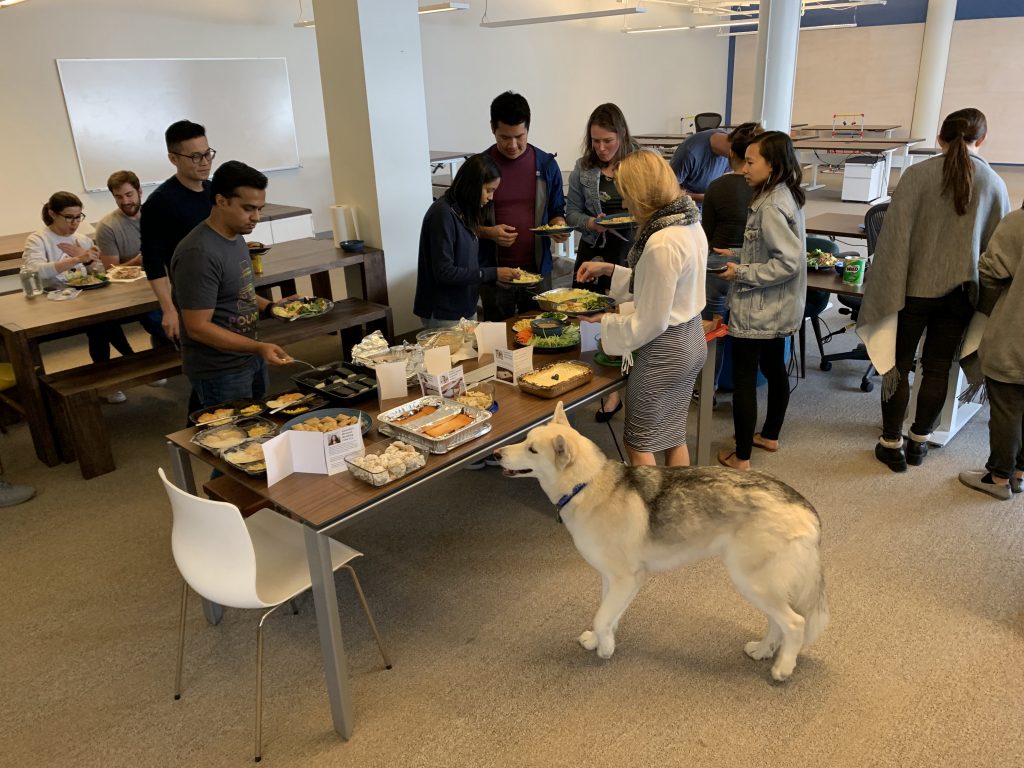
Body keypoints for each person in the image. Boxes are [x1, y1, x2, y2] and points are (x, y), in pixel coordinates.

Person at [857, 108, 1010, 473]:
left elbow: (893, 241)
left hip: (910, 290)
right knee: (938, 368)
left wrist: (886, 285)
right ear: (982, 140)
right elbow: (996, 252)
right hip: (961, 295)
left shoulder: (916, 176)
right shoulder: (994, 184)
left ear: (939, 138)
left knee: (899, 367)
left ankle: (890, 443)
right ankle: (919, 443)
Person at [577, 151, 707, 467]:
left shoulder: (661, 241)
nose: (625, 204)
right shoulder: (689, 223)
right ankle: (678, 510)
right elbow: (665, 290)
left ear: (640, 194)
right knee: (673, 435)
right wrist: (610, 269)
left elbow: (651, 321)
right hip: (691, 339)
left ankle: (652, 513)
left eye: (626, 195)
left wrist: (606, 321)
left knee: (638, 442)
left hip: (665, 352)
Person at [715, 131, 807, 471]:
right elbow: (768, 251)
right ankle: (769, 435)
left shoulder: (770, 206)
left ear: (773, 165)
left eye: (751, 162)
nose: (743, 169)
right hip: (776, 307)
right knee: (774, 369)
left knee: (744, 381)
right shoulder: (784, 196)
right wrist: (737, 254)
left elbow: (786, 262)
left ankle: (741, 458)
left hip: (759, 310)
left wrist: (740, 272)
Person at [170, 161, 292, 407]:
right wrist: (258, 347)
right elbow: (198, 327)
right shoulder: (199, 253)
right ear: (221, 201)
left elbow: (239, 292)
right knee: (231, 437)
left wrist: (271, 308)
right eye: (248, 208)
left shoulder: (235, 236)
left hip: (248, 356)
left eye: (259, 209)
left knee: (254, 426)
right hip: (220, 369)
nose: (256, 217)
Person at [565, 103, 641, 422]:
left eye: (608, 141)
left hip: (627, 251)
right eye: (596, 141)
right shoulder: (583, 168)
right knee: (585, 313)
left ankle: (617, 390)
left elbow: (652, 206)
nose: (601, 147)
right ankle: (591, 383)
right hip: (593, 246)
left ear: (621, 135)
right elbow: (572, 213)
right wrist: (590, 224)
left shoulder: (639, 164)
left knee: (619, 314)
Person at [22, 192, 135, 404]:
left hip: (83, 299)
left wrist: (90, 262)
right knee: (101, 325)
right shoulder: (39, 239)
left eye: (78, 217)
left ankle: (109, 379)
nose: (74, 223)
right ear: (52, 213)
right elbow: (34, 271)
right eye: (68, 217)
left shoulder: (81, 239)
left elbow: (98, 272)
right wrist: (76, 258)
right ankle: (129, 362)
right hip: (51, 303)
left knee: (103, 321)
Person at [477, 91, 568, 321]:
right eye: (504, 137)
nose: (513, 145)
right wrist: (489, 232)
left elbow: (557, 210)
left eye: (520, 136)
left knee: (544, 333)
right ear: (492, 129)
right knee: (498, 340)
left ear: (528, 128)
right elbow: (461, 221)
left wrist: (558, 225)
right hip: (495, 274)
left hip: (537, 271)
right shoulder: (479, 168)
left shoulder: (546, 164)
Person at [959, 203, 1024, 500]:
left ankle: (998, 477)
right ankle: (1019, 473)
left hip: (1016, 331)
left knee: (1006, 407)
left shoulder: (1019, 222)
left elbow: (990, 271)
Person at [414, 153, 519, 327]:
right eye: (488, 190)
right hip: (444, 312)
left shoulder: (464, 211)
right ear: (472, 185)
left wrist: (493, 276)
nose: (491, 197)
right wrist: (493, 273)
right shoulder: (442, 214)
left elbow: (467, 263)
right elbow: (444, 271)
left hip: (465, 308)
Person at [699, 123, 761, 400]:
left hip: (718, 265)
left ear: (729, 154)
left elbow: (707, 234)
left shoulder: (717, 186)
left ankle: (707, 389)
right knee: (748, 335)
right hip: (755, 267)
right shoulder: (766, 190)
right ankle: (745, 393)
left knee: (713, 330)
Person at [141, 120, 215, 344]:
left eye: (207, 154)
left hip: (221, 285)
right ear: (173, 158)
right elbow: (152, 261)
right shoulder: (160, 202)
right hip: (191, 294)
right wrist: (168, 309)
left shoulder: (214, 191)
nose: (204, 162)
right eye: (195, 157)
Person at [95, 170, 168, 351]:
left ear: (140, 192)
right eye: (119, 197)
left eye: (129, 195)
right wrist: (138, 260)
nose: (125, 201)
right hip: (135, 290)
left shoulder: (158, 214)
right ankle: (165, 347)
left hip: (168, 278)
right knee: (156, 319)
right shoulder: (107, 226)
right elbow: (111, 271)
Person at [669, 122, 762, 203]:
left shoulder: (734, 150)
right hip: (686, 206)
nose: (745, 169)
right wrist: (706, 198)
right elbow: (667, 190)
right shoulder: (690, 152)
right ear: (733, 153)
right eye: (747, 162)